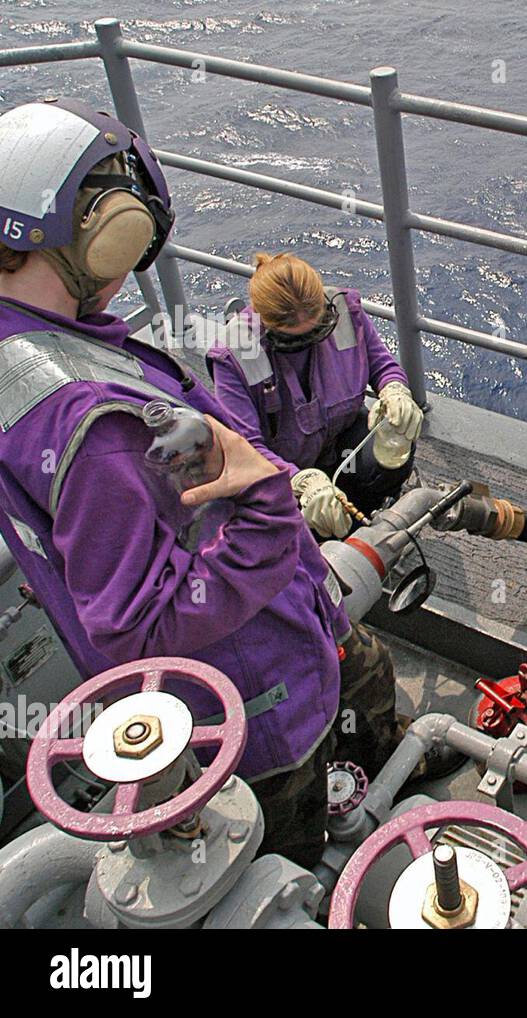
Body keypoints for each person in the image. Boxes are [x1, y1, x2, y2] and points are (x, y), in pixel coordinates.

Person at [0, 99, 401, 867]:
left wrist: (277, 478)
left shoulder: (37, 355)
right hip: (255, 690)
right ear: (107, 228)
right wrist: (270, 510)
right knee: (287, 848)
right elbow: (138, 627)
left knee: (366, 674)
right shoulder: (91, 420)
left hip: (278, 628)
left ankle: (379, 767)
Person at [206, 252, 423, 539]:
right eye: (295, 341)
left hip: (338, 445)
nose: (309, 344)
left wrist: (395, 390)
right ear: (265, 326)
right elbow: (246, 446)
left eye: (319, 330)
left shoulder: (346, 312)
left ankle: (362, 520)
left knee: (393, 449)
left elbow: (382, 365)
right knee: (294, 537)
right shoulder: (233, 357)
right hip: (277, 472)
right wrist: (298, 481)